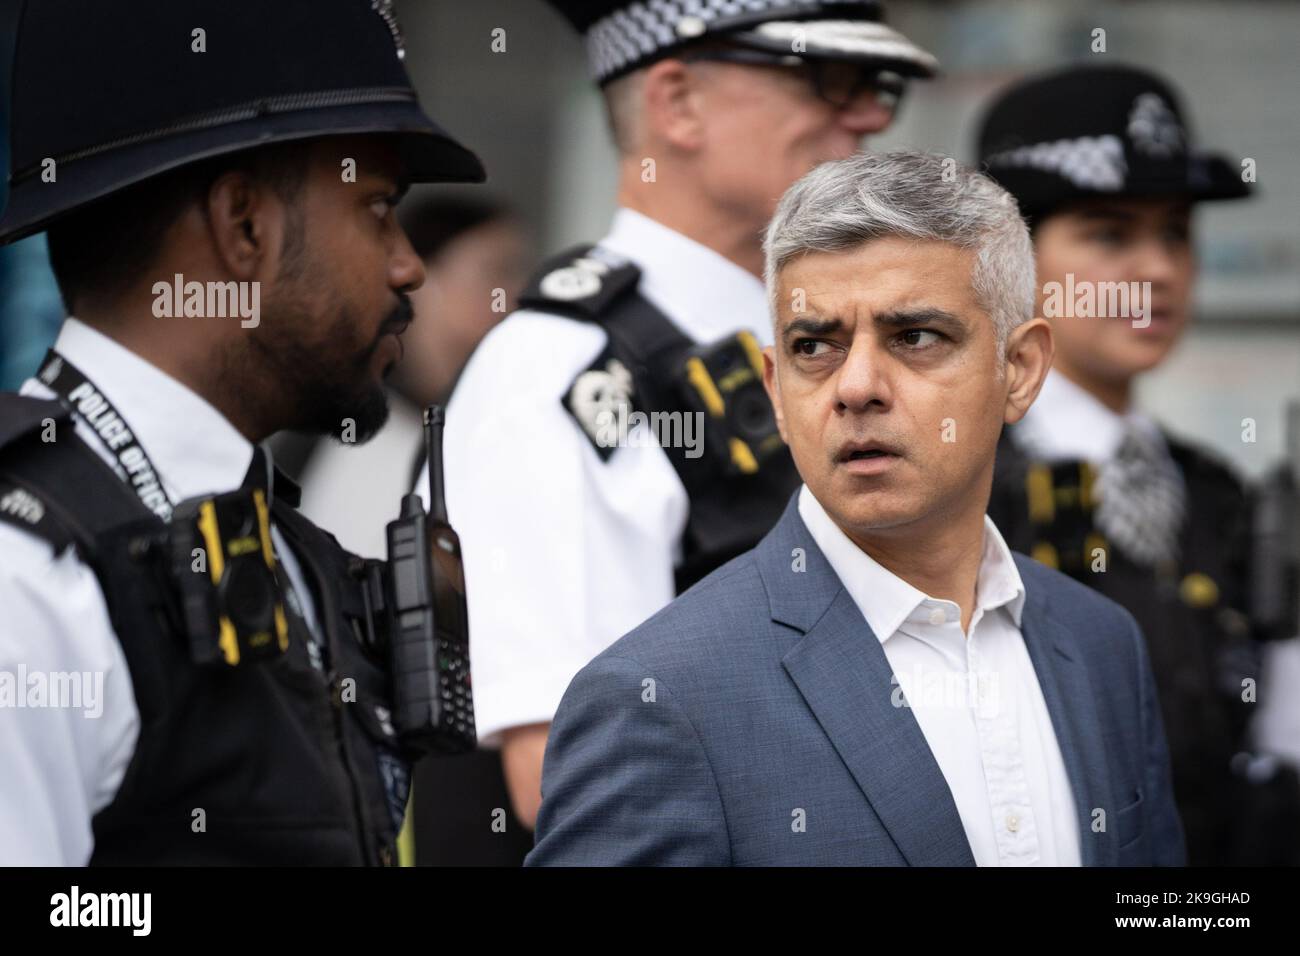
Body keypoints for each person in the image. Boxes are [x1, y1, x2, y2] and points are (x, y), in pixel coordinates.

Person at [527, 151, 1184, 867]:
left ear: (1019, 371)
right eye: (815, 346)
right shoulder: (658, 697)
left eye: (916, 337)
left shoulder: (1100, 644)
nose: (857, 386)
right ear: (775, 390)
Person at [433, 0, 938, 833]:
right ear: (677, 103)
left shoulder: (833, 354)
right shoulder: (556, 373)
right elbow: (578, 786)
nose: (869, 116)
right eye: (828, 78)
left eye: (876, 86)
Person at [0, 0, 484, 865]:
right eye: (377, 207)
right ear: (244, 226)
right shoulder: (27, 581)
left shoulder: (282, 545)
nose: (407, 263)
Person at [977, 64, 1300, 865]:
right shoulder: (959, 485)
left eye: (1176, 234)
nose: (1156, 270)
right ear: (1007, 259)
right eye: (1110, 233)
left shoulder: (1221, 493)